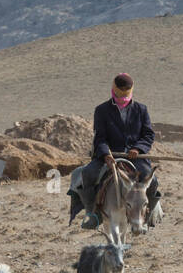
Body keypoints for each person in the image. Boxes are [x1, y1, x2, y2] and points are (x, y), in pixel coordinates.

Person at [68, 73, 162, 229]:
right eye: (120, 94)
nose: (122, 98)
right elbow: (100, 137)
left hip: (136, 157)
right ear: (113, 90)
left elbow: (148, 135)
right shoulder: (101, 110)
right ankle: (92, 214)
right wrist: (106, 154)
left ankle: (148, 214)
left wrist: (137, 148)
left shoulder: (141, 109)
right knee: (87, 174)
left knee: (153, 180)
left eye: (126, 93)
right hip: (108, 155)